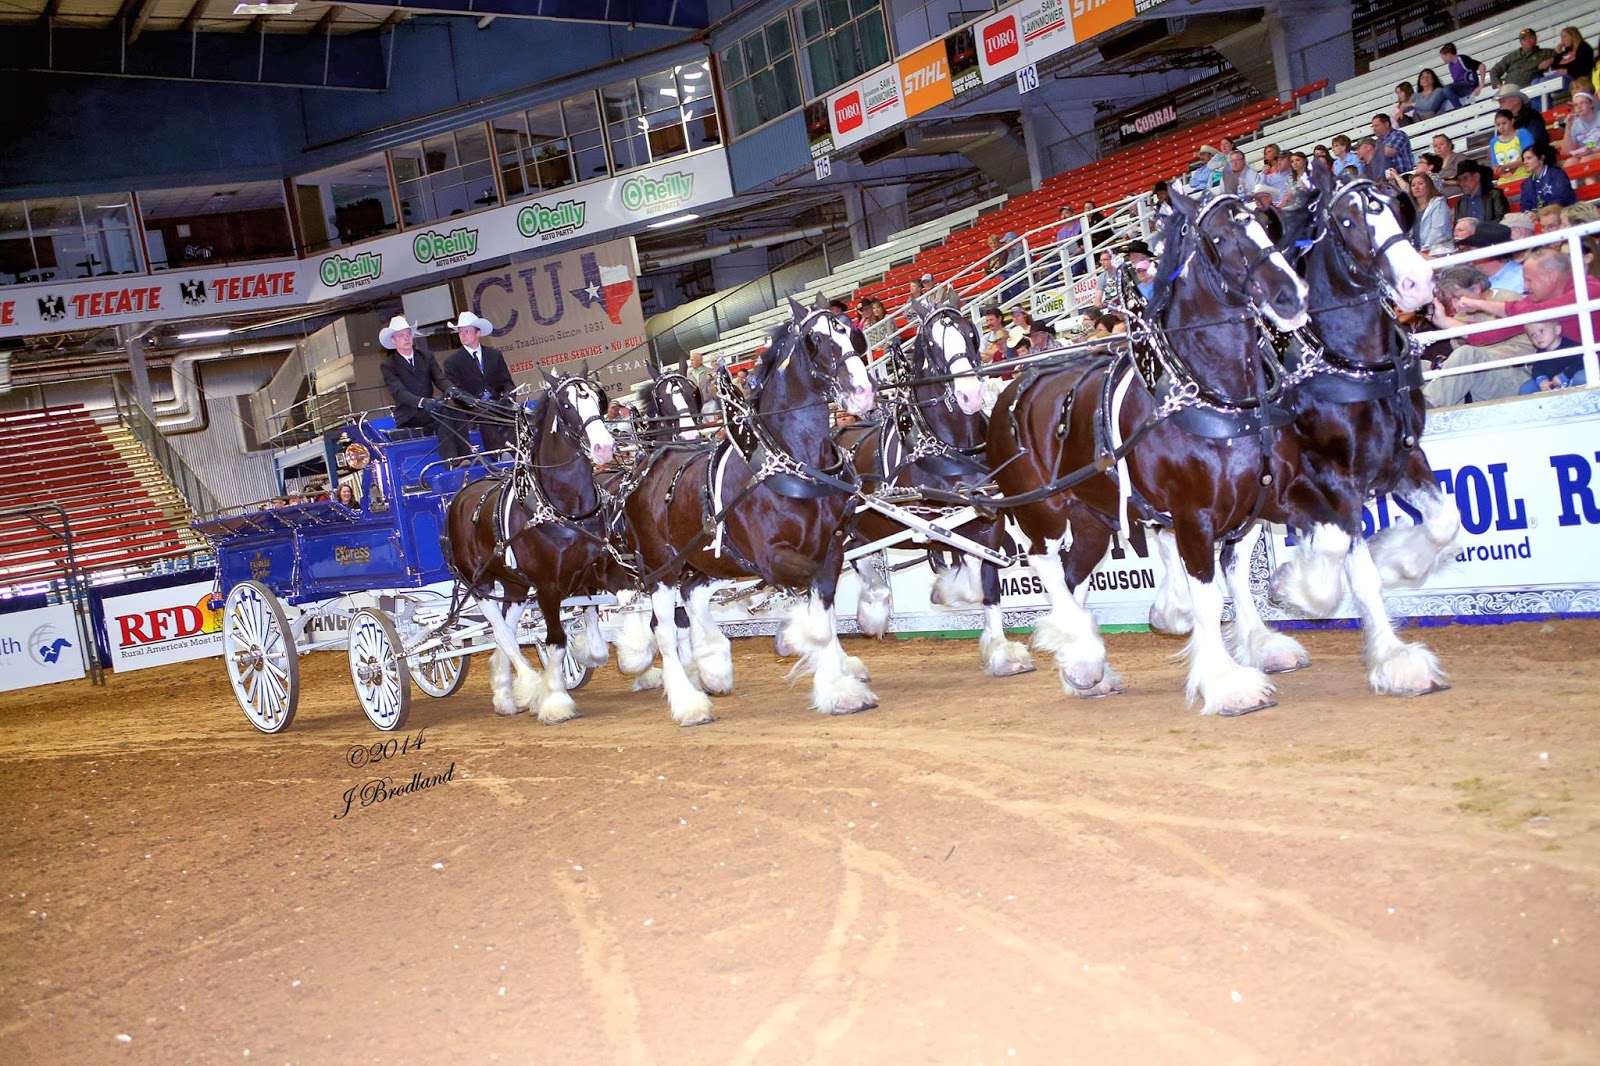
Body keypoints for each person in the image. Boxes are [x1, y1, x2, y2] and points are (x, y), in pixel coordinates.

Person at [377, 315, 467, 461]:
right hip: (409, 414)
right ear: (393, 341)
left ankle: (466, 457)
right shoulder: (388, 365)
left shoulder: (426, 356)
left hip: (430, 409)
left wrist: (451, 389)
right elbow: (399, 393)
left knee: (457, 412)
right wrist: (422, 402)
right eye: (401, 335)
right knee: (443, 412)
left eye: (408, 334)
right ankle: (452, 461)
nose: (406, 338)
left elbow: (439, 378)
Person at [441, 310, 515, 455]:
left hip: (497, 403)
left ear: (478, 333)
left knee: (514, 415)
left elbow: (507, 382)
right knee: (485, 417)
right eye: (460, 332)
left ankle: (516, 452)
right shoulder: (452, 362)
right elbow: (456, 391)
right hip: (471, 407)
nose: (462, 335)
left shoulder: (494, 355)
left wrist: (507, 397)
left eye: (466, 331)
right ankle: (499, 455)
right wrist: (474, 402)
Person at [1518, 320, 1587, 393]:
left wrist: (1564, 376)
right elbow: (1537, 369)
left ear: (1557, 330)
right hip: (1550, 385)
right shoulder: (1540, 352)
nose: (1537, 337)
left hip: (1571, 380)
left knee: (1582, 377)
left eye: (1541, 331)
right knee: (1526, 388)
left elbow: (1581, 362)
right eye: (1533, 335)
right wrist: (1542, 380)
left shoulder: (1570, 345)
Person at [1487, 29, 1554, 93]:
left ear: (1536, 39)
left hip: (1532, 89)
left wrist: (1551, 60)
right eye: (1524, 39)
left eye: (1530, 37)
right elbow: (1494, 71)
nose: (1528, 41)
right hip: (1510, 92)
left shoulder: (1544, 53)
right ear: (1521, 42)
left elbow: (1561, 55)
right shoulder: (1512, 56)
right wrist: (1500, 87)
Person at [1519, 144, 1577, 211]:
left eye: (1529, 158)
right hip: (1538, 218)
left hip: (1563, 214)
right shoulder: (1526, 184)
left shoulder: (1557, 175)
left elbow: (1560, 201)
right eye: (1524, 159)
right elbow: (1524, 205)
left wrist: (1541, 214)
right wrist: (1528, 213)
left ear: (1541, 158)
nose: (1525, 162)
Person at [1410, 173, 1454, 256]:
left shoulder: (1438, 204)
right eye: (1413, 185)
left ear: (1429, 186)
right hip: (1419, 254)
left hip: (1437, 251)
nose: (1416, 187)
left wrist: (1422, 253)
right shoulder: (1413, 209)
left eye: (1420, 184)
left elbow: (1437, 234)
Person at [1498, 85, 1549, 149]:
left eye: (1503, 102)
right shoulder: (1505, 122)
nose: (1500, 106)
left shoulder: (1532, 117)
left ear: (1515, 101)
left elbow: (1534, 140)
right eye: (1499, 103)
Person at [1487, 109, 1533, 181]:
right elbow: (1494, 164)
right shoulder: (1493, 142)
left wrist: (1505, 166)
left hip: (1526, 176)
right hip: (1504, 180)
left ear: (1512, 121)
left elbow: (1529, 157)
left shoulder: (1522, 133)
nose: (1501, 127)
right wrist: (1497, 169)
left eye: (1504, 123)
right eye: (1498, 125)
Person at [1438, 42, 1482, 106]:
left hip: (1469, 85)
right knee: (1441, 93)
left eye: (1444, 57)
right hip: (1461, 87)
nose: (1444, 61)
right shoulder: (1450, 65)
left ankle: (1458, 108)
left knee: (1446, 89)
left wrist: (1481, 85)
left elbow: (1481, 66)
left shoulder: (1463, 59)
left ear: (1449, 54)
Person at [1563, 90, 1600, 160]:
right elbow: (1566, 152)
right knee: (1570, 162)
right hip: (1585, 154)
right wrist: (1568, 127)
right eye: (1575, 105)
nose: (1579, 107)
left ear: (1591, 104)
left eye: (1582, 103)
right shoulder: (1574, 124)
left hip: (1595, 152)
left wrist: (1592, 151)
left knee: (1586, 160)